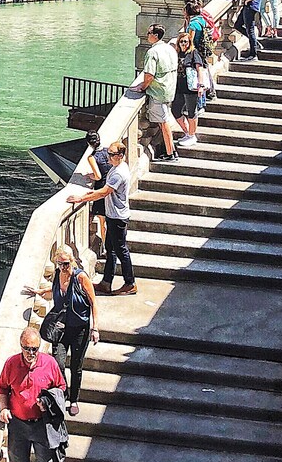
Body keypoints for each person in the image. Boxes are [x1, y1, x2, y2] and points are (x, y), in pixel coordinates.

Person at [0, 326, 66, 462]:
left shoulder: (50, 364)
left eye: (34, 349)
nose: (30, 353)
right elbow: (2, 386)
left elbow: (61, 387)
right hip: (18, 426)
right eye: (27, 348)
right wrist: (4, 408)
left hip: (42, 426)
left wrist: (48, 402)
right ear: (21, 347)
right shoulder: (11, 364)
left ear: (39, 348)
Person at [68, 141, 134, 297]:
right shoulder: (117, 167)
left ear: (120, 156)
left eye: (111, 154)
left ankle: (130, 283)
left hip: (118, 218)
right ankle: (106, 282)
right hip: (112, 215)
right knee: (110, 249)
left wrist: (81, 198)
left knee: (121, 250)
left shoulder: (119, 173)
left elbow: (103, 192)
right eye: (108, 153)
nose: (107, 157)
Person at [47, 245, 98, 416]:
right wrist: (40, 291)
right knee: (58, 363)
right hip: (61, 328)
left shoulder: (81, 277)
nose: (63, 267)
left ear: (72, 261)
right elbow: (56, 292)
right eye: (60, 264)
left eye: (66, 264)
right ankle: (64, 394)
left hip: (80, 329)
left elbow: (93, 302)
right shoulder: (57, 275)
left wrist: (95, 328)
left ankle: (74, 399)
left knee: (76, 366)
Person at [139, 24, 180, 163]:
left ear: (155, 36)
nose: (147, 35)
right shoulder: (170, 49)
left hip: (158, 93)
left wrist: (143, 87)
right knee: (164, 120)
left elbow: (149, 75)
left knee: (164, 123)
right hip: (169, 90)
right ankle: (170, 151)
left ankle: (171, 152)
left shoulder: (152, 52)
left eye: (149, 32)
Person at [170, 31, 205, 146]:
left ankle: (192, 135)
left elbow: (200, 69)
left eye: (186, 41)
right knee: (175, 110)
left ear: (190, 42)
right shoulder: (177, 54)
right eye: (181, 41)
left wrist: (201, 85)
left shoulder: (193, 53)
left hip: (191, 87)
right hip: (179, 86)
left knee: (191, 111)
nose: (183, 44)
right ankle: (187, 132)